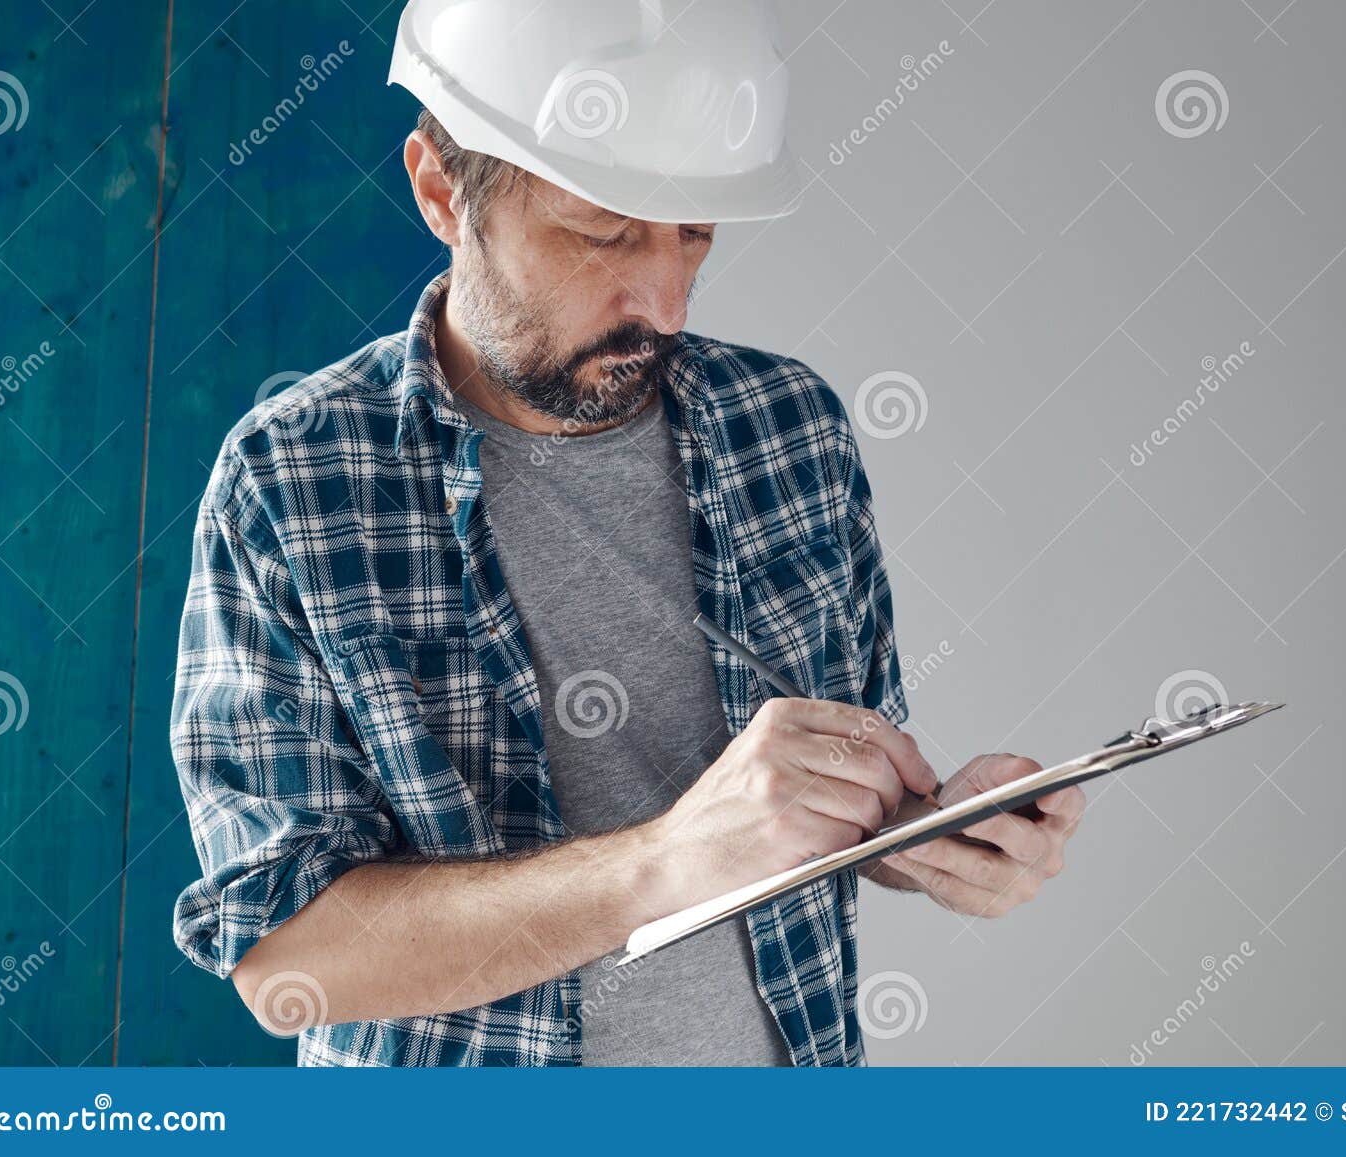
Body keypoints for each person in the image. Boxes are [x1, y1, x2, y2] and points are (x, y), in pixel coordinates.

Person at [170, 0, 1083, 1066]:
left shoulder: (791, 428)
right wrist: (664, 861)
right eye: (602, 230)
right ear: (438, 191)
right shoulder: (292, 481)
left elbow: (820, 799)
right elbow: (290, 960)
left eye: (694, 232)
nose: (664, 300)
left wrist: (926, 829)